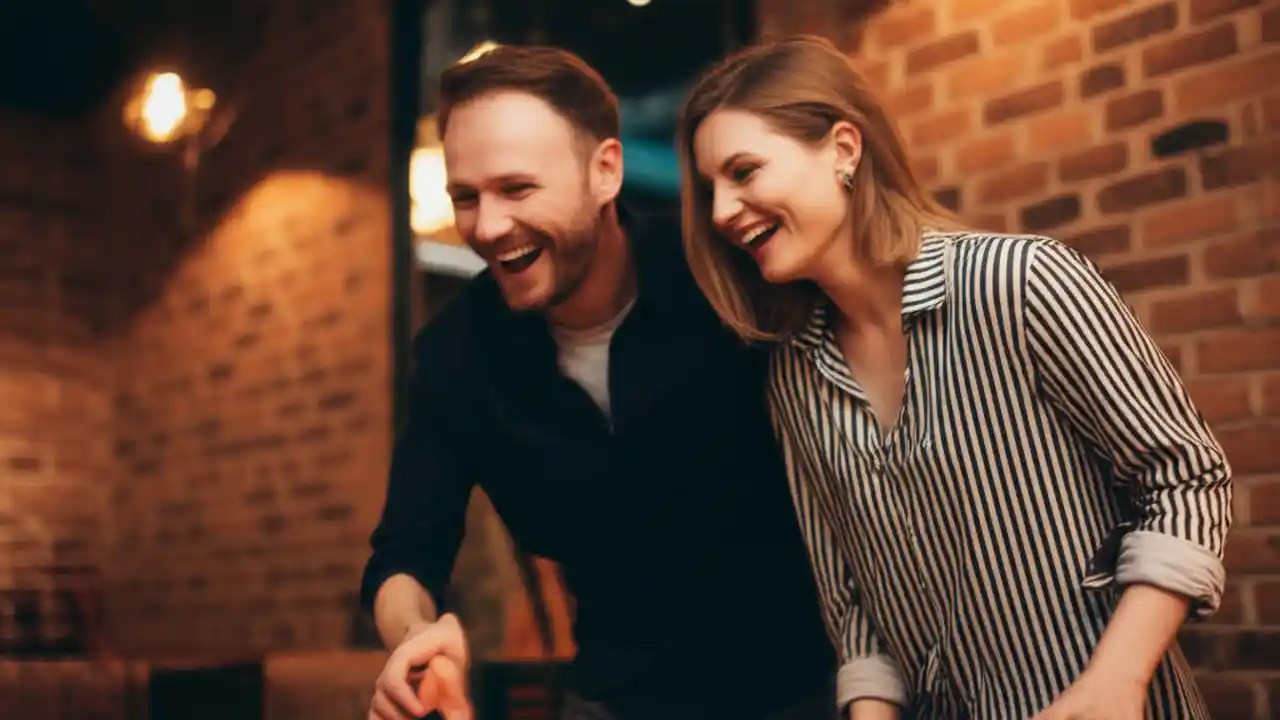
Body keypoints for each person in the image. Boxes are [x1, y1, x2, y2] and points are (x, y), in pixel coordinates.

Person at [677, 36, 1232, 720]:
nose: (723, 212)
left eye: (744, 171)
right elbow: (855, 604)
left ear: (844, 150)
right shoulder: (793, 375)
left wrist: (1116, 681)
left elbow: (1184, 478)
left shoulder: (1021, 283)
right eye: (710, 189)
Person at [361, 44, 836, 720]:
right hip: (612, 700)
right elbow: (406, 551)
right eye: (465, 198)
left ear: (606, 171)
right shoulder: (455, 354)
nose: (489, 227)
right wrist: (418, 640)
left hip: (805, 690)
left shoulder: (724, 274)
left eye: (517, 189)